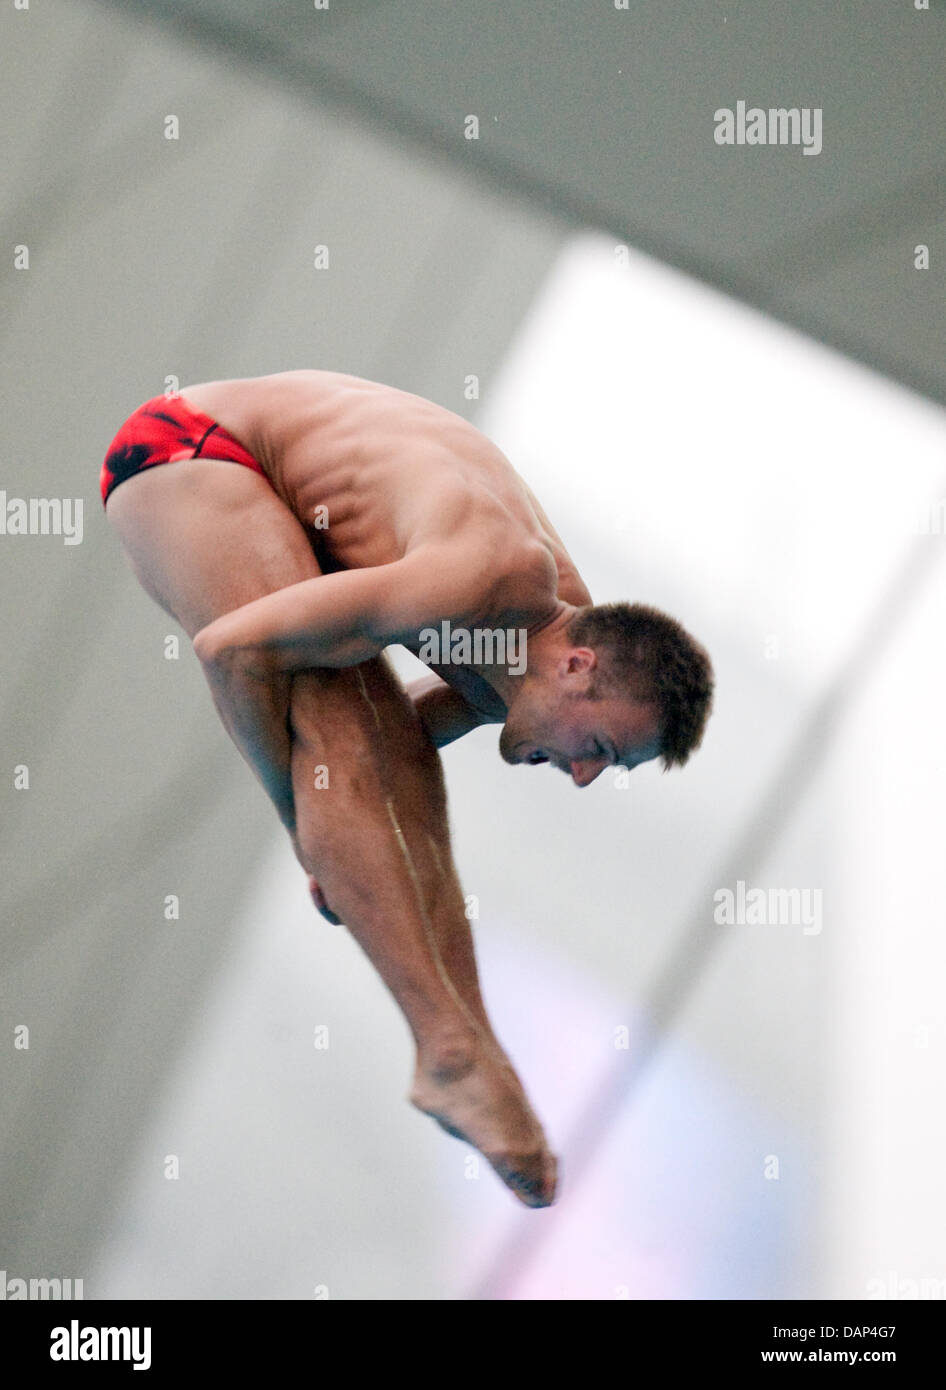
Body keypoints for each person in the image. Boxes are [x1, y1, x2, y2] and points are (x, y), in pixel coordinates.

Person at [102, 369, 714, 1207]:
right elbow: (233, 653)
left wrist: (345, 828)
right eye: (599, 749)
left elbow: (400, 760)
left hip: (282, 482)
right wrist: (297, 814)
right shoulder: (487, 577)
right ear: (579, 669)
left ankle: (472, 1046)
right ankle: (447, 1049)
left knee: (395, 759)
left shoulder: (539, 640)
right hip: (191, 453)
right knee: (344, 728)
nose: (579, 776)